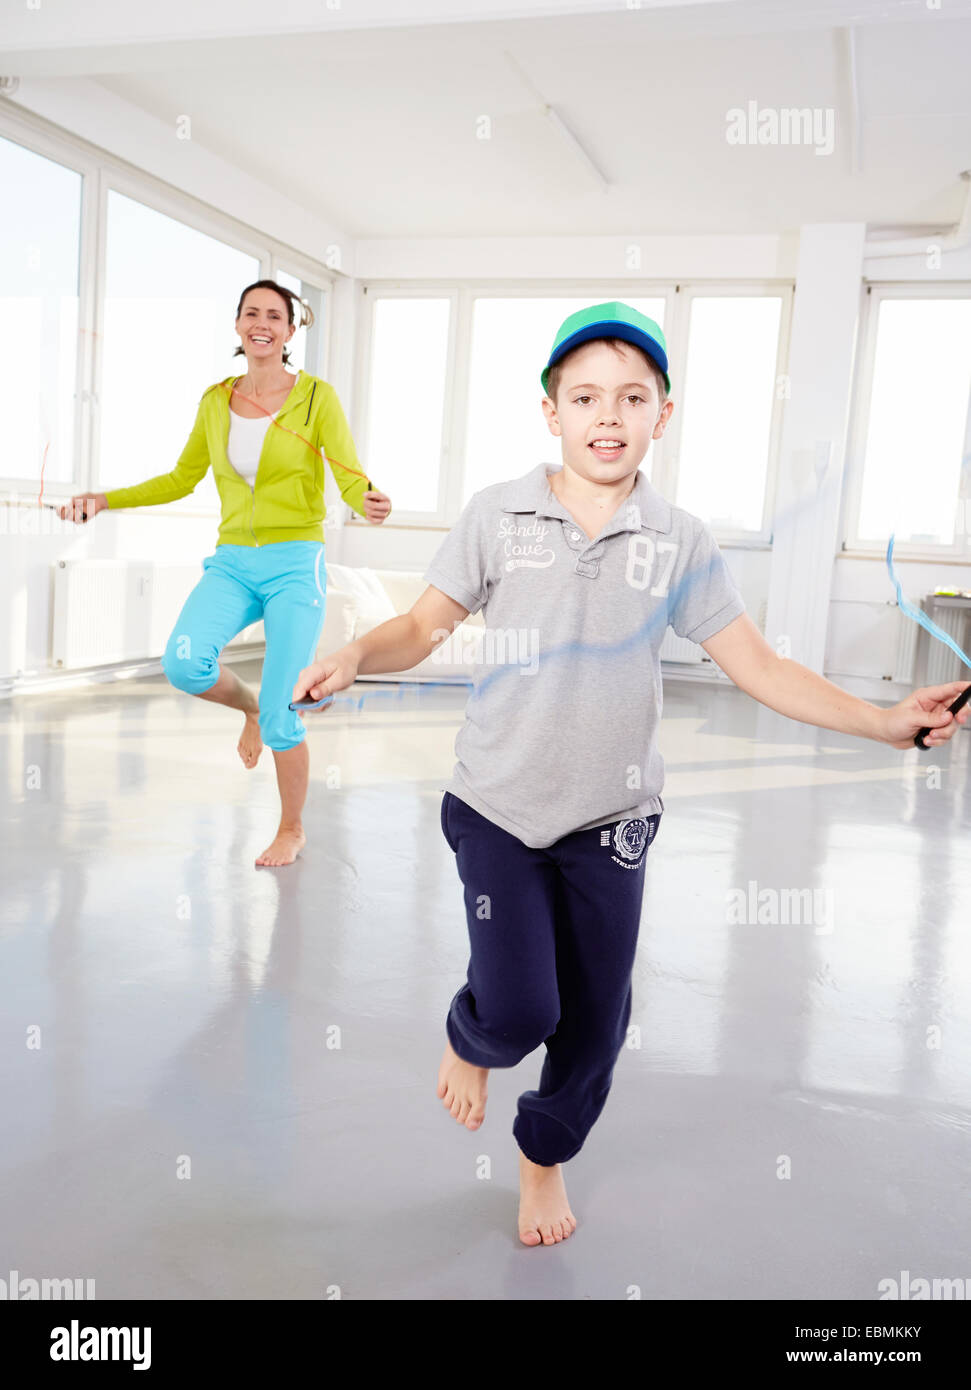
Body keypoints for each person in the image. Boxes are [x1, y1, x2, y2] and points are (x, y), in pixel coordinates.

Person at [290, 301, 970, 1246]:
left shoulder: (680, 541)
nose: (607, 414)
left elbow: (761, 669)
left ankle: (541, 1159)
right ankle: (473, 1034)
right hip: (495, 805)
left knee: (595, 1024)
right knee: (523, 1005)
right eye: (584, 397)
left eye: (630, 396)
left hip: (610, 821)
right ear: (551, 413)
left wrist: (881, 721)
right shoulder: (498, 514)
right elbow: (421, 626)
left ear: (662, 413)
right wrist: (360, 654)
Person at [60, 280, 391, 867]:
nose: (261, 323)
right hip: (234, 561)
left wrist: (368, 499)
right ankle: (251, 709)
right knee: (184, 663)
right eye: (251, 313)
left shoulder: (317, 398)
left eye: (274, 316)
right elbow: (180, 478)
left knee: (286, 711)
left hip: (295, 560)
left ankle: (290, 829)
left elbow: (347, 473)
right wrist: (104, 499)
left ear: (291, 331)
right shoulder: (216, 400)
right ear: (238, 325)